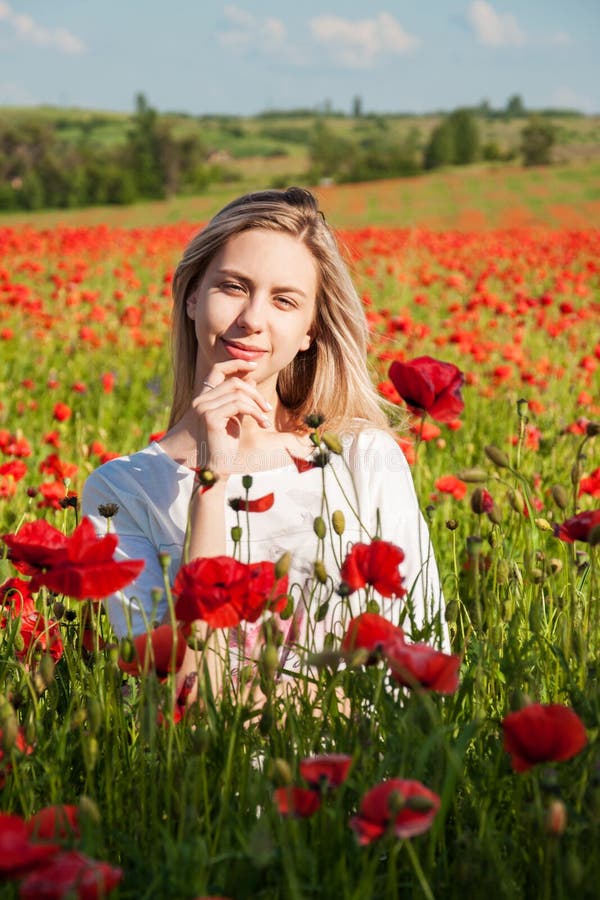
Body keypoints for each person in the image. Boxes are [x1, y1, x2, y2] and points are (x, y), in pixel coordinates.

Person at [82, 187, 444, 691]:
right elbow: (178, 693)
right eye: (232, 286)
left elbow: (422, 664)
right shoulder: (121, 491)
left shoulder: (363, 458)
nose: (252, 319)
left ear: (309, 331)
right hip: (208, 769)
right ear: (191, 297)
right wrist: (212, 479)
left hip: (355, 763)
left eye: (284, 300)